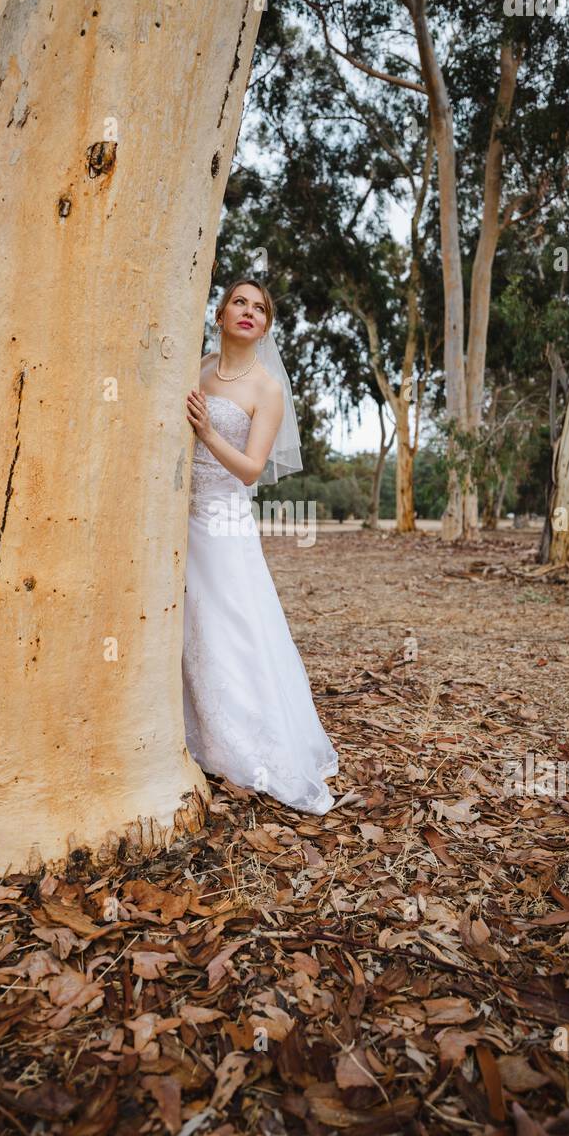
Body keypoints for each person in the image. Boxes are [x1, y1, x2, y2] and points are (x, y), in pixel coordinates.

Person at [182, 275, 339, 815]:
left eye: (260, 308)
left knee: (232, 626)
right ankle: (191, 730)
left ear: (266, 325)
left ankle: (242, 748)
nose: (249, 312)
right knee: (190, 624)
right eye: (239, 302)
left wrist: (208, 434)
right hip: (179, 517)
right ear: (222, 314)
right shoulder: (196, 366)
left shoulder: (266, 388)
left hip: (224, 521)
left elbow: (251, 471)